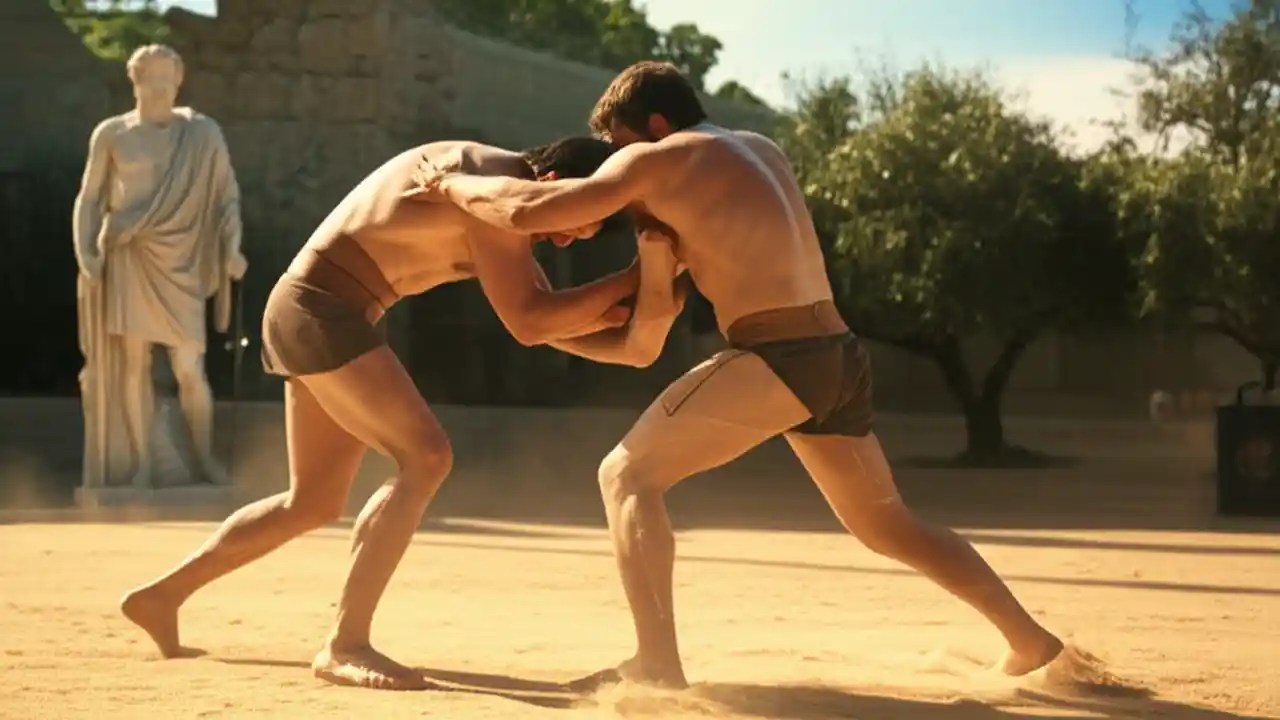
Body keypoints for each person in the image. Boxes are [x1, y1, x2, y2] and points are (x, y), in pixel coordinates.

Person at [420, 61, 1065, 689]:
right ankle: (1030, 641)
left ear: (655, 125)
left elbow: (532, 211)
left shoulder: (659, 159)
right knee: (888, 524)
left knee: (625, 476)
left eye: (618, 143)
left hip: (778, 356)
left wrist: (450, 185)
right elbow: (650, 328)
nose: (615, 161)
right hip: (840, 354)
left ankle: (655, 663)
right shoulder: (760, 150)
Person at [120, 136, 673, 691]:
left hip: (315, 309)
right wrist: (631, 279)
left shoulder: (498, 198)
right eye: (577, 223)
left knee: (311, 501)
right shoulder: (491, 182)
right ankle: (346, 643)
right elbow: (530, 321)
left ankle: (161, 597)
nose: (567, 239)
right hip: (322, 312)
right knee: (426, 457)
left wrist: (627, 323)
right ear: (555, 186)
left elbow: (549, 322)